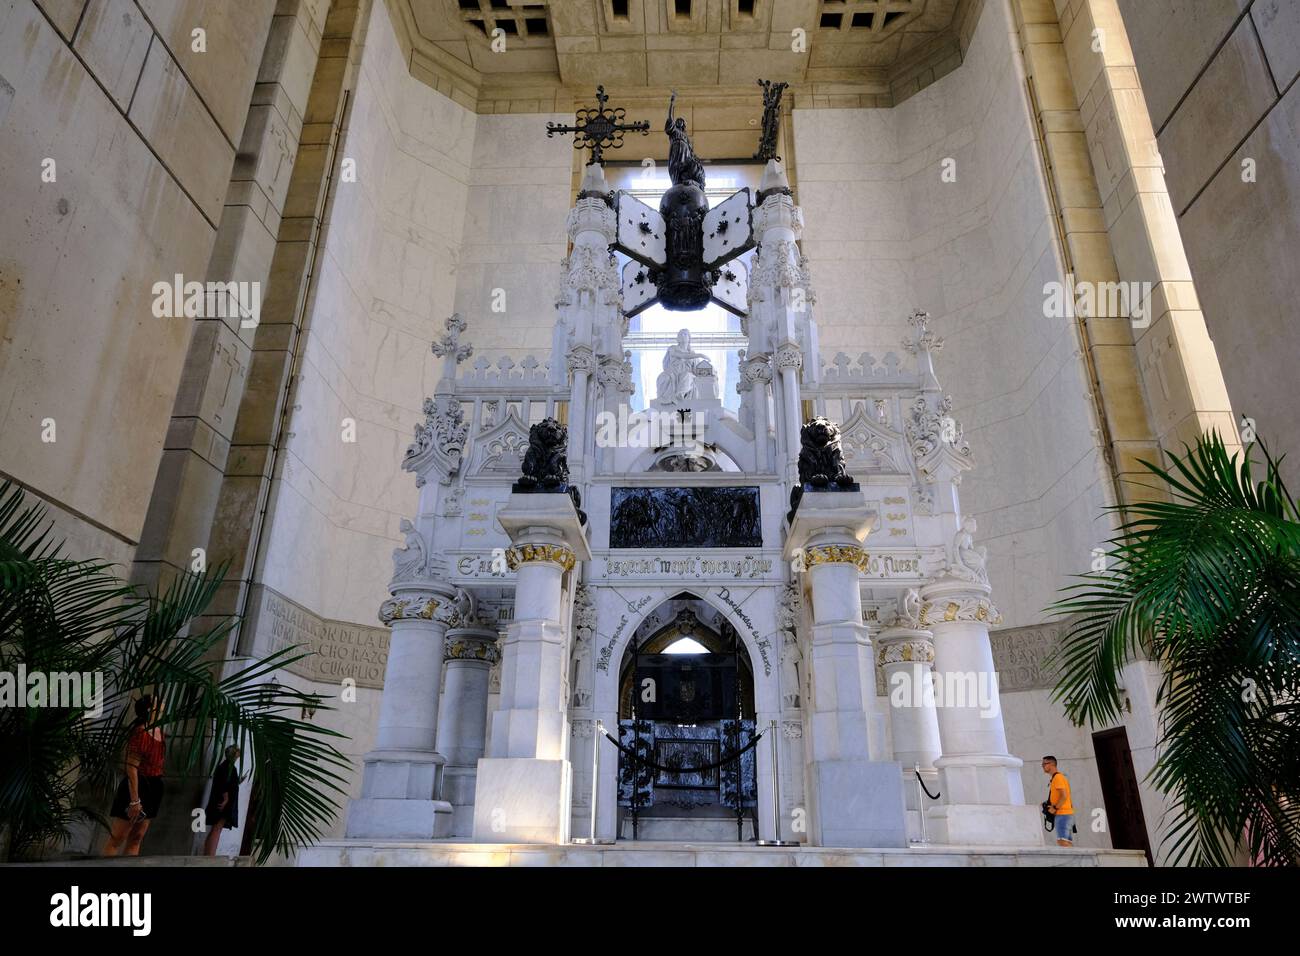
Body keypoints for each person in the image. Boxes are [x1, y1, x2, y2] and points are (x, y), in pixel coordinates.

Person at [103, 695, 165, 856]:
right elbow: (131, 768)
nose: (163, 704)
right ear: (151, 709)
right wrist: (135, 799)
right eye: (159, 701)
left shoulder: (159, 731)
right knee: (118, 837)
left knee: (137, 837)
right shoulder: (140, 733)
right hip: (137, 785)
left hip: (154, 784)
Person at [202, 745, 243, 855]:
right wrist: (226, 798)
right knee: (217, 829)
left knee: (216, 829)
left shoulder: (225, 766)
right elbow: (224, 784)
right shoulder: (228, 767)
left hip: (221, 802)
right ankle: (210, 856)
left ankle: (208, 855)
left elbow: (227, 783)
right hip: (223, 803)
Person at [1042, 755, 1074, 847]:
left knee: (1063, 841)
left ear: (1051, 764)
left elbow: (1064, 796)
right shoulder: (1056, 778)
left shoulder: (1058, 778)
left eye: (1044, 764)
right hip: (1065, 813)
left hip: (1062, 813)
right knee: (1066, 841)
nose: (1043, 766)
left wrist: (1055, 808)